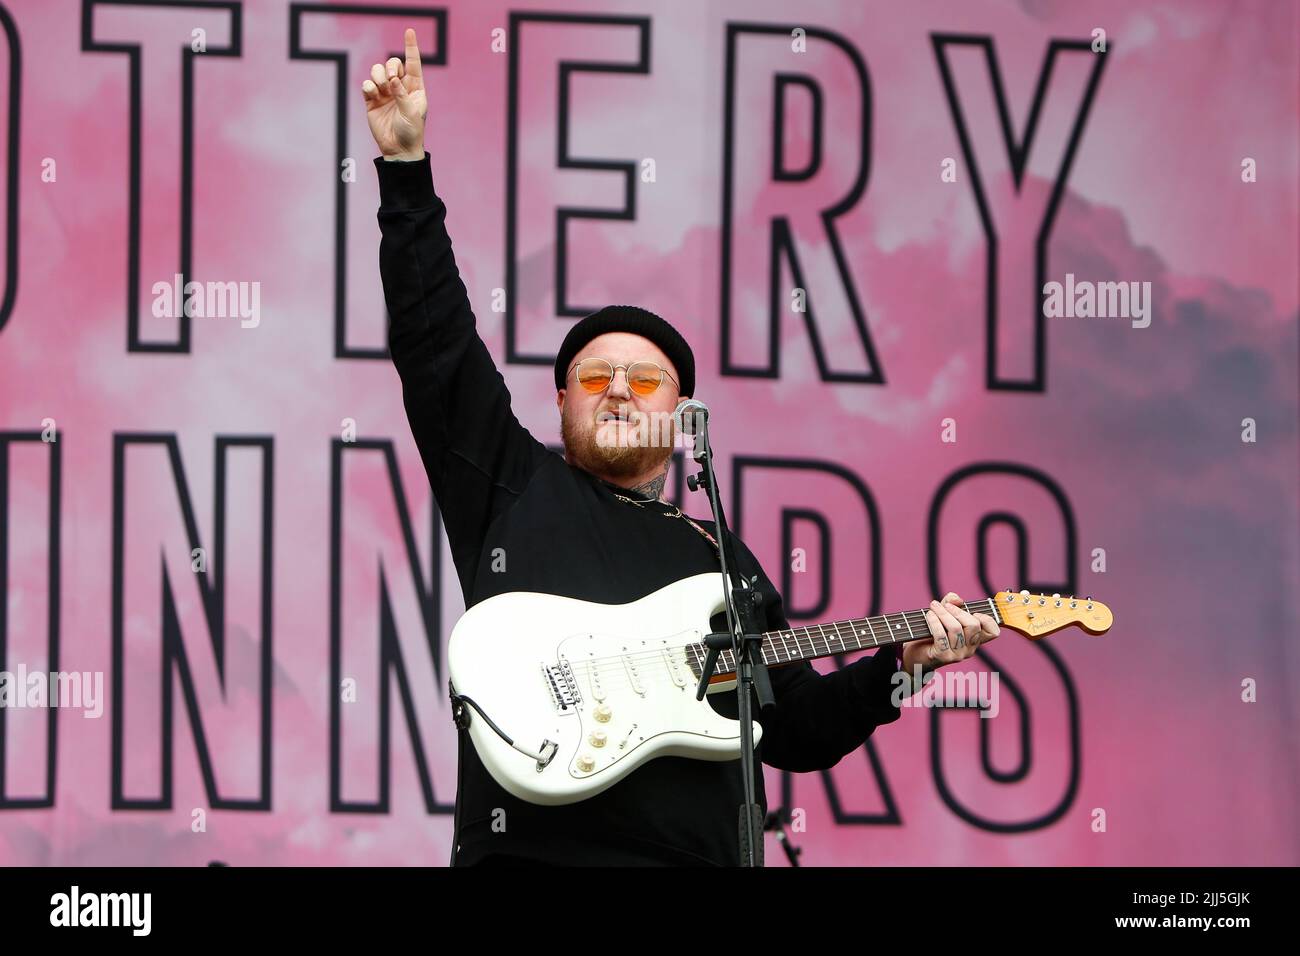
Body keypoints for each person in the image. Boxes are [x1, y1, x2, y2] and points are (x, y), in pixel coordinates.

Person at [360, 29, 1000, 866]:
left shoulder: (720, 561)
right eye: (594, 380)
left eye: (644, 379)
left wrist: (905, 666)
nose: (619, 389)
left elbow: (793, 729)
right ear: (559, 403)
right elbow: (435, 346)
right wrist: (407, 173)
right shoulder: (515, 487)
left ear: (684, 413)